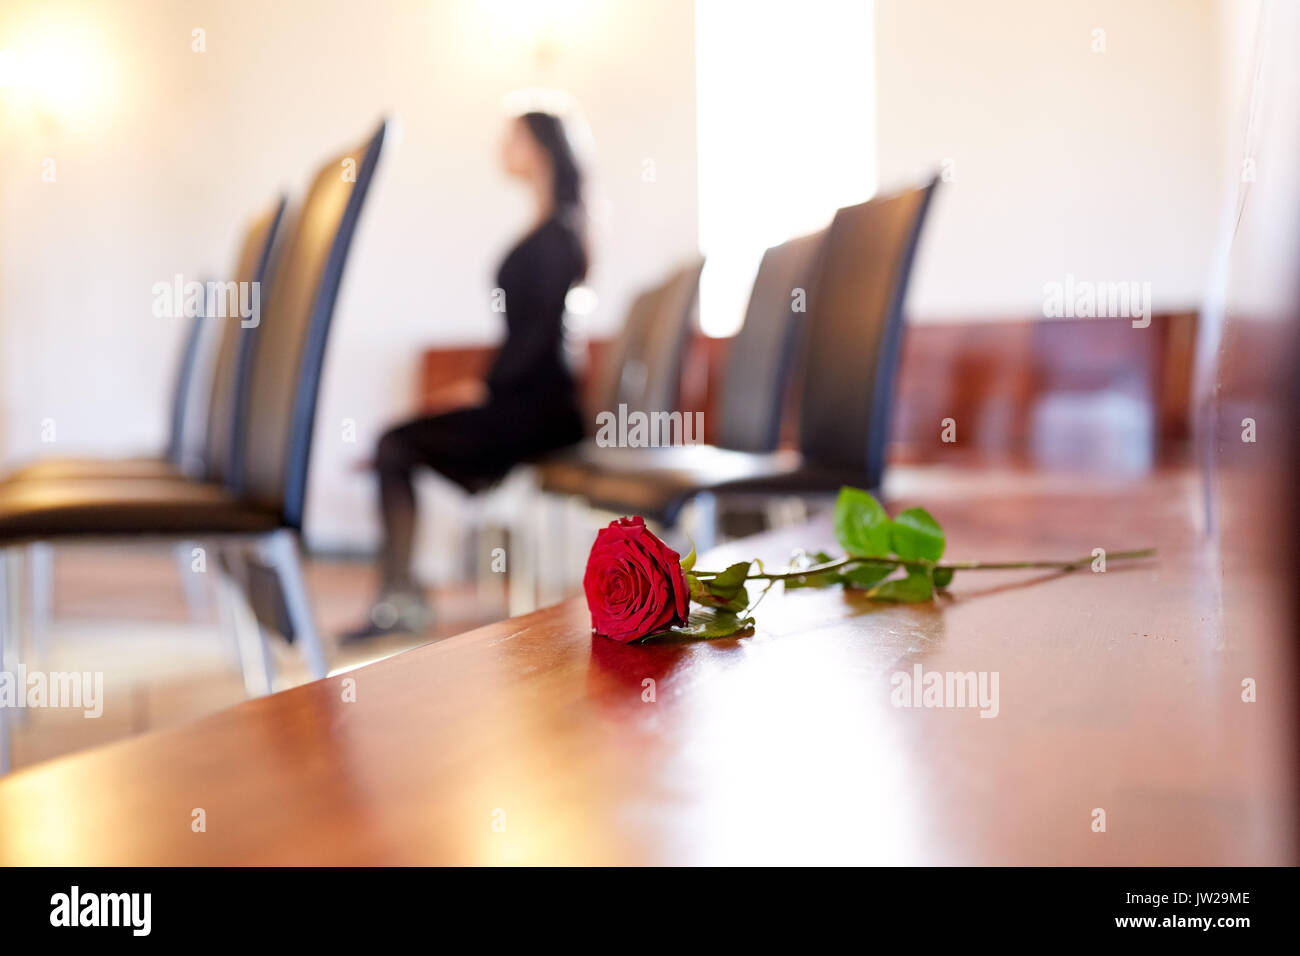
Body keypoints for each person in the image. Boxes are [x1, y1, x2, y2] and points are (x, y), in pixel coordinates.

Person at [344, 109, 589, 640]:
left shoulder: (559, 233)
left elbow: (541, 337)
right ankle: (400, 595)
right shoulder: (553, 228)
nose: (503, 148)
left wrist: (486, 391)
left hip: (538, 411)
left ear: (540, 147)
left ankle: (400, 600)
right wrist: (485, 387)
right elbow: (522, 336)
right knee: (396, 443)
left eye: (513, 139)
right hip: (525, 398)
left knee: (395, 445)